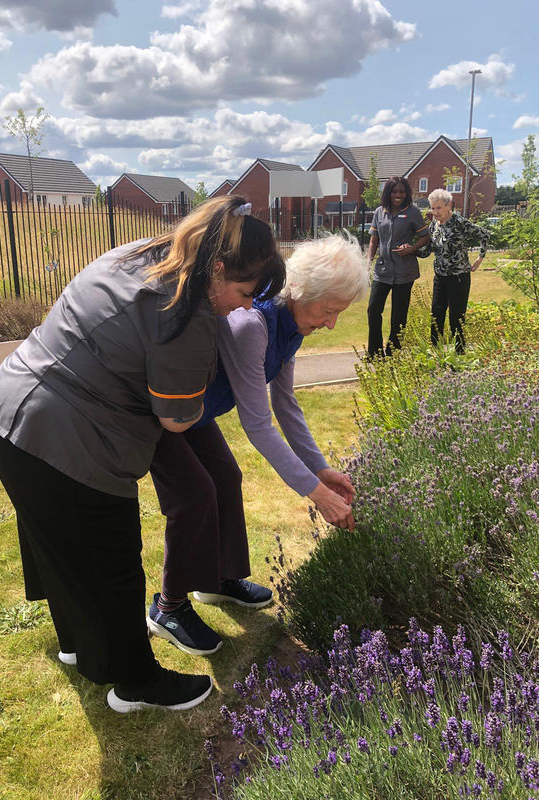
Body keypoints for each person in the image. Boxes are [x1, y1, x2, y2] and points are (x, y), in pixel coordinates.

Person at [0, 195, 285, 714]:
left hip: (4, 411)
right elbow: (177, 418)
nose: (246, 306)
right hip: (67, 441)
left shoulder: (138, 254)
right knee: (111, 562)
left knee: (58, 546)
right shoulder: (188, 312)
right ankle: (136, 682)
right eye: (245, 291)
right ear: (216, 268)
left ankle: (78, 646)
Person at [147, 234, 369, 656]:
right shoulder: (253, 324)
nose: (332, 323)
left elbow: (285, 403)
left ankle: (216, 581)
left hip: (195, 415)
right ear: (303, 292)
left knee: (227, 477)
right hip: (161, 414)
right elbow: (258, 424)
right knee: (195, 497)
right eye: (330, 310)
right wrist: (317, 494)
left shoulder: (292, 326)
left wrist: (320, 467)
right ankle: (167, 607)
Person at [367, 176, 430, 357]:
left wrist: (411, 248)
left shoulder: (413, 212)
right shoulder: (379, 212)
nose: (398, 195)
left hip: (405, 272)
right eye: (395, 191)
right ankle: (375, 353)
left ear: (406, 193)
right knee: (373, 310)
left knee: (398, 316)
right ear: (388, 193)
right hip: (383, 270)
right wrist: (368, 262)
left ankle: (393, 352)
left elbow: (425, 237)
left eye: (402, 191)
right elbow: (374, 239)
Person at [426, 188, 490, 354]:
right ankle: (435, 352)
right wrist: (409, 249)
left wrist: (479, 258)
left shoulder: (459, 222)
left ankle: (459, 354)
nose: (435, 212)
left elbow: (485, 235)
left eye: (438, 208)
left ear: (448, 206)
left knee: (456, 317)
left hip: (458, 277)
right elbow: (428, 249)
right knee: (436, 315)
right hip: (440, 276)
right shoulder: (434, 224)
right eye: (432, 208)